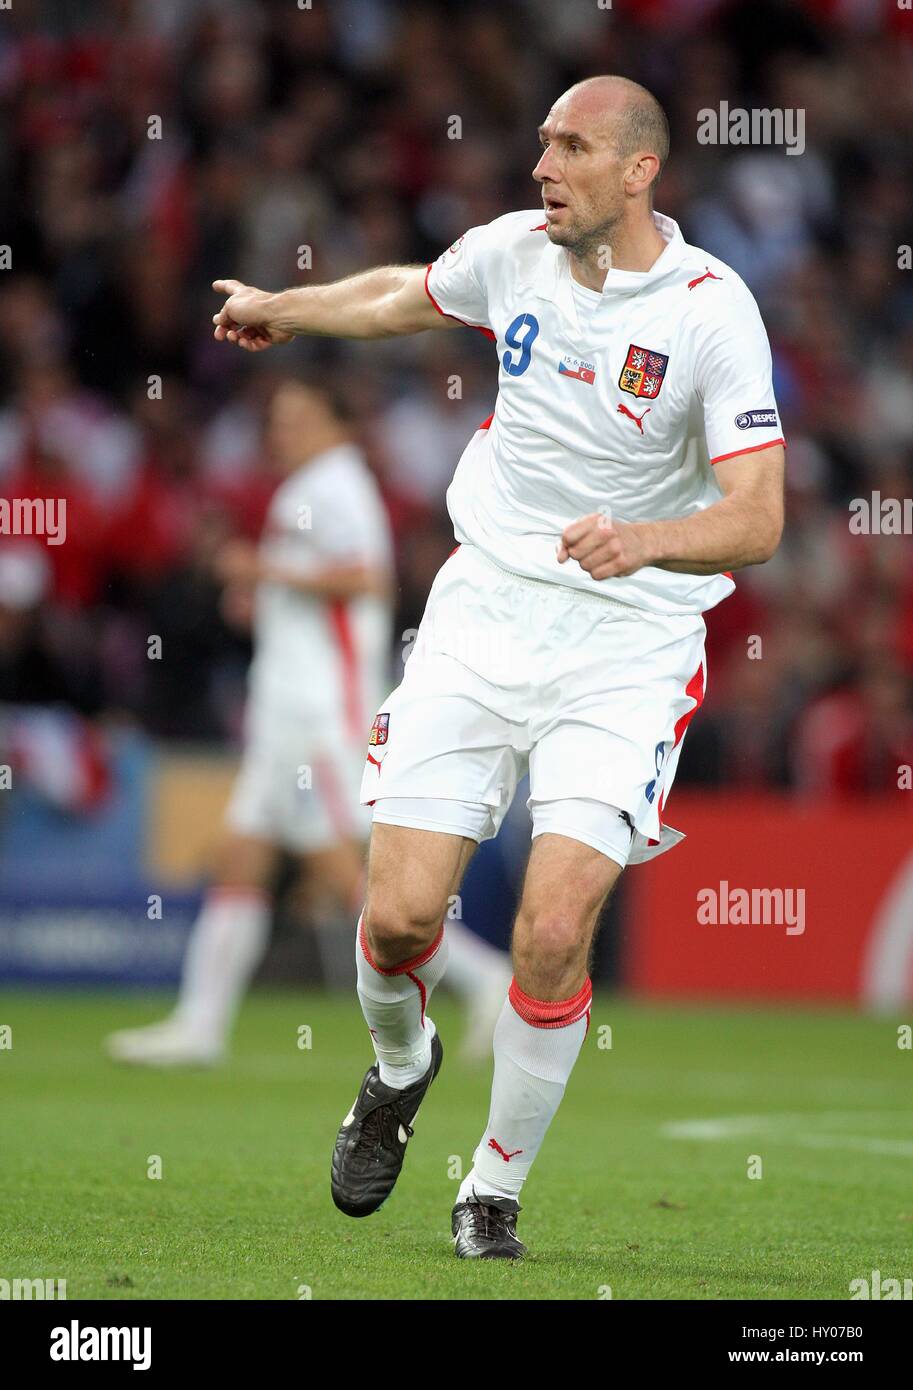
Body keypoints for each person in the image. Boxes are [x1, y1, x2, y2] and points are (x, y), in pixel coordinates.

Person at [209, 76, 785, 1259]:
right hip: (483, 612)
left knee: (551, 929)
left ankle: (493, 1186)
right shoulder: (512, 252)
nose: (541, 166)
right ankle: (397, 1069)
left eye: (570, 148)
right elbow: (403, 299)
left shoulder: (709, 309)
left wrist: (647, 540)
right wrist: (291, 307)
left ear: (638, 171)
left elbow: (760, 514)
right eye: (539, 144)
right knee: (399, 919)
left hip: (628, 638)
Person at [106, 378, 509, 1067]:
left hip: (323, 711)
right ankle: (200, 1026)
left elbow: (365, 578)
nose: (279, 431)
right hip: (282, 709)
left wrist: (262, 569)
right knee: (240, 858)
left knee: (341, 874)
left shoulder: (336, 484)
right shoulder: (308, 488)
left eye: (296, 418)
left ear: (334, 423)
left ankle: (485, 981)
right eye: (276, 419)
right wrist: (266, 595)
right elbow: (320, 585)